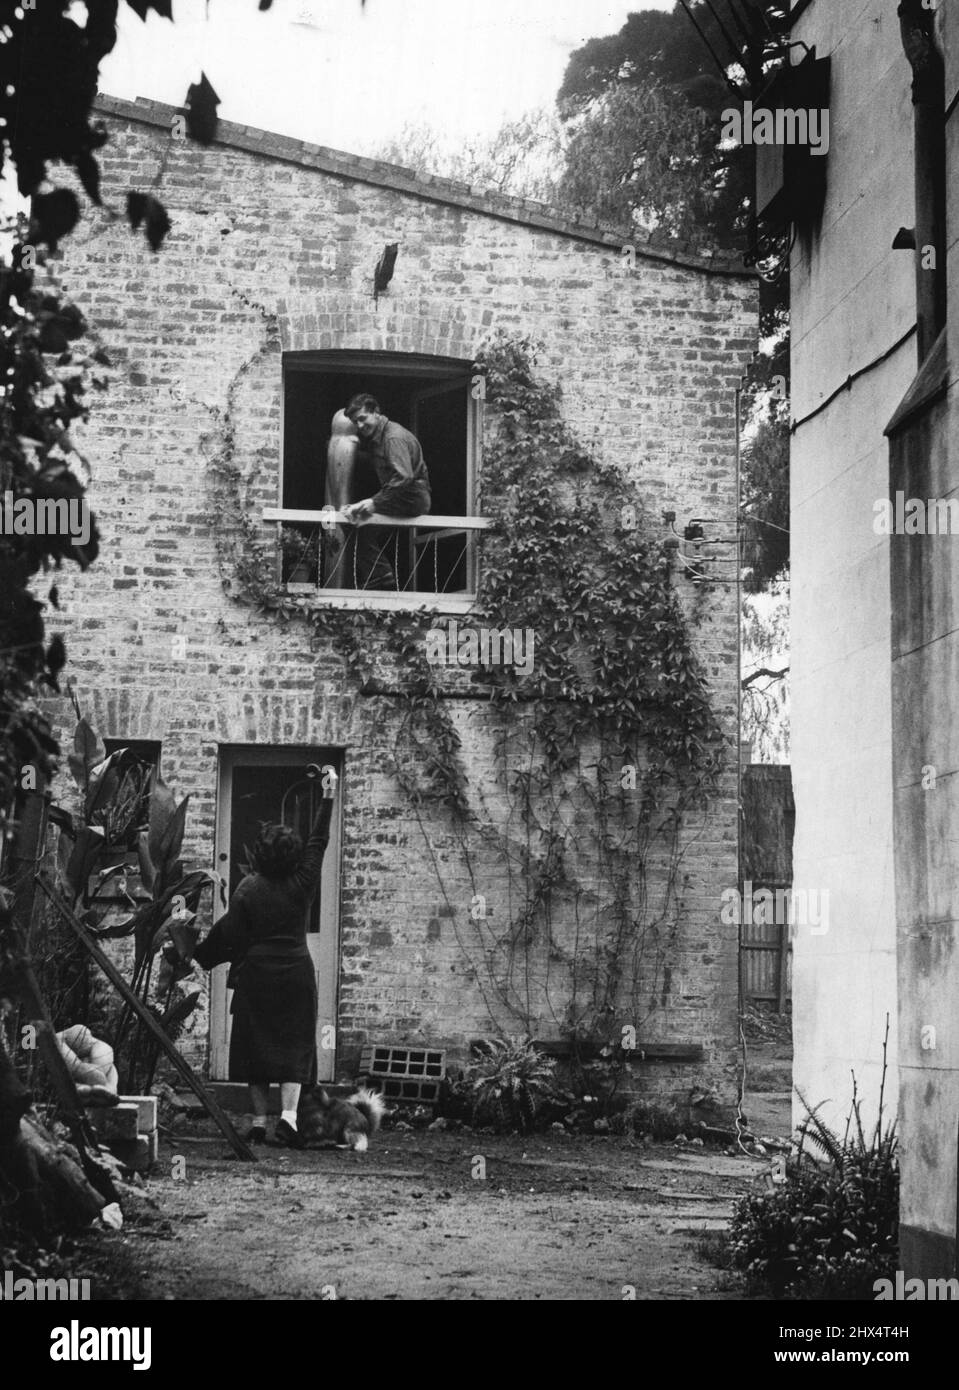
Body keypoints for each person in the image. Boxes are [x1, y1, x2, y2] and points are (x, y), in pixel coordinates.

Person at [193, 776, 337, 1147]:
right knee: (293, 1046)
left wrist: (200, 956)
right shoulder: (304, 881)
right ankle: (288, 1118)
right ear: (293, 854)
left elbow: (230, 935)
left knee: (254, 1047)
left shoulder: (248, 888)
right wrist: (328, 794)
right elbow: (320, 839)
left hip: (256, 976)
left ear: (259, 853)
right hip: (296, 975)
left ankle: (258, 1122)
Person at [342, 393, 431, 589]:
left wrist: (373, 503)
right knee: (360, 526)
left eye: (363, 418)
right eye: (356, 422)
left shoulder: (392, 437)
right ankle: (379, 575)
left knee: (359, 519)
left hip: (411, 496)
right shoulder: (379, 438)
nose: (360, 426)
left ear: (375, 412)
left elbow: (404, 477)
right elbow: (379, 460)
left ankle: (380, 575)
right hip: (402, 496)